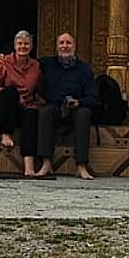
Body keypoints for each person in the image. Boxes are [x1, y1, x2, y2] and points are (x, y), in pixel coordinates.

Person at [36, 32, 98, 180]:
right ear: (57, 46)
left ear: (74, 46)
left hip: (76, 107)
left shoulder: (84, 69)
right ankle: (46, 163)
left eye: (68, 43)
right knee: (45, 113)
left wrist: (79, 102)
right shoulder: (46, 64)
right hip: (55, 106)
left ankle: (81, 166)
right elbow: (24, 61)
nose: (65, 46)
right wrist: (3, 60)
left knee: (84, 114)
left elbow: (93, 96)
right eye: (62, 43)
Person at [0, 30, 42, 177]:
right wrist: (16, 96)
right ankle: (5, 132)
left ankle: (29, 166)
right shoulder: (3, 61)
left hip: (24, 108)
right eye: (20, 43)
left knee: (32, 114)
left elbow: (36, 88)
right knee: (11, 92)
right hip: (3, 107)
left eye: (26, 44)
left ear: (31, 47)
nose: (23, 46)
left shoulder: (36, 66)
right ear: (14, 45)